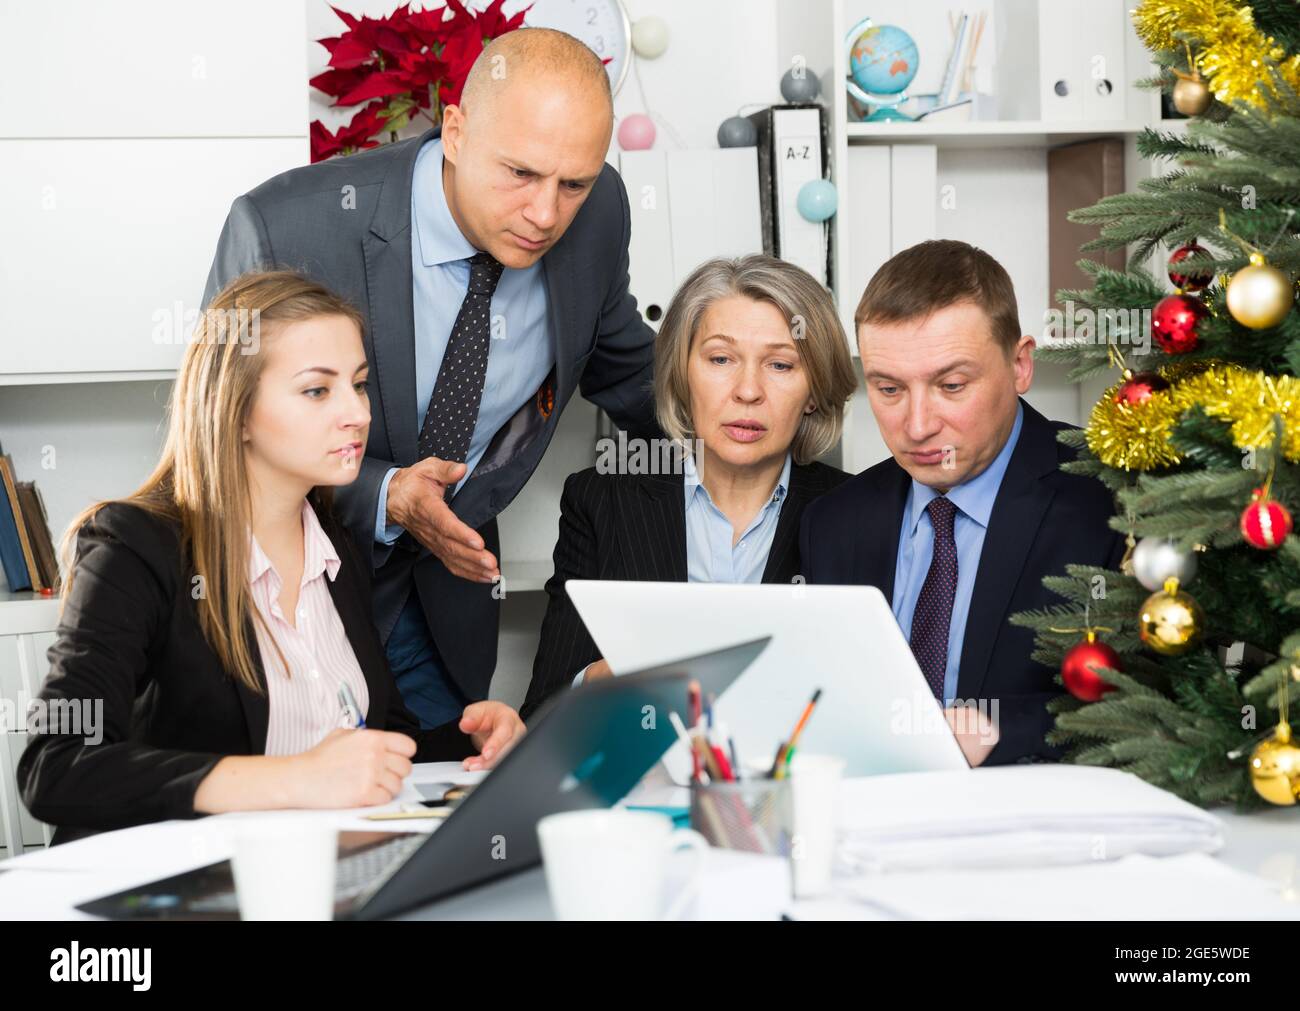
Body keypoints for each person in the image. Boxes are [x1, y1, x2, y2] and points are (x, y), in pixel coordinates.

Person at [202, 28, 659, 730]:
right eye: (520, 174)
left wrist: (769, 413)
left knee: (434, 822)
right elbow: (216, 436)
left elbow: (630, 373)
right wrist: (388, 494)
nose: (545, 215)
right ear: (455, 130)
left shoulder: (598, 217)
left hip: (445, 615)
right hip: (285, 601)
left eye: (573, 183)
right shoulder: (286, 228)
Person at [18, 272, 525, 843]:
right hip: (179, 889)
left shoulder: (337, 546)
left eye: (358, 385)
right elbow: (56, 768)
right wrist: (295, 780)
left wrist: (469, 743)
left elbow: (375, 735)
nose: (356, 414)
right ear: (233, 412)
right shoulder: (133, 546)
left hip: (306, 873)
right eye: (317, 390)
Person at [799, 240, 1125, 767]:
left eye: (951, 385)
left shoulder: (1109, 497)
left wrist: (997, 732)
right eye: (888, 389)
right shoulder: (834, 522)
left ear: (1020, 365)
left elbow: (1164, 704)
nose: (918, 424)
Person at [521, 255, 859, 720]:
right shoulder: (602, 502)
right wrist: (603, 680)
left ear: (815, 393)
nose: (747, 391)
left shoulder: (862, 513)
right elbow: (542, 713)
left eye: (780, 365)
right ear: (682, 375)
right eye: (720, 359)